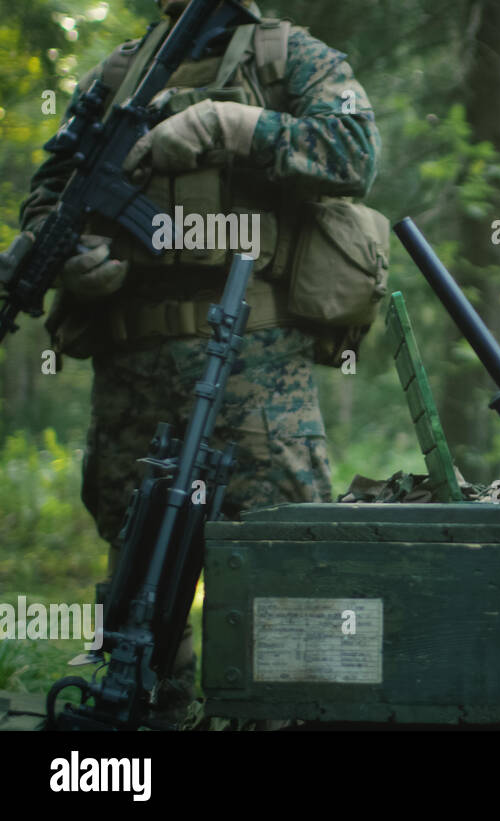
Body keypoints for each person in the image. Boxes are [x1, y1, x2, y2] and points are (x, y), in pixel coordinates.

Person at [7, 0, 381, 723]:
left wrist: (232, 125)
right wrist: (74, 257)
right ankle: (142, 723)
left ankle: (290, 715)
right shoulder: (117, 74)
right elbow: (50, 193)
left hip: (256, 362)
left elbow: (355, 154)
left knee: (286, 562)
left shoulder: (287, 56)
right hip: (133, 366)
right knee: (138, 575)